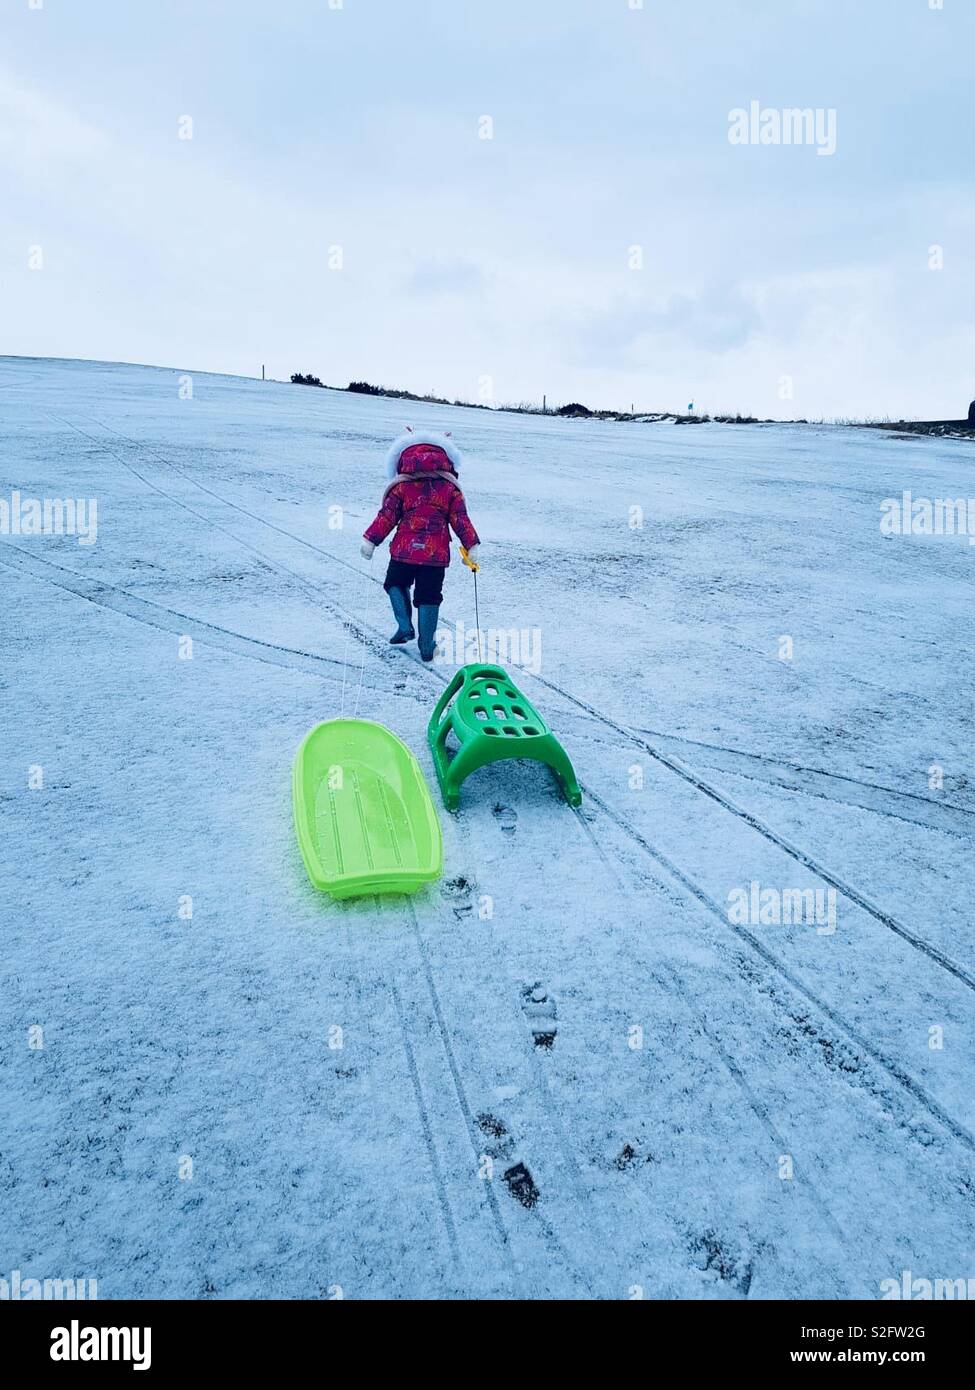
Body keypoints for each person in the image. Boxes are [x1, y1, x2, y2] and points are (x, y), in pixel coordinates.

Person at [361, 429, 481, 661]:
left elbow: (386, 517)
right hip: (434, 556)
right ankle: (427, 645)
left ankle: (404, 625)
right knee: (429, 596)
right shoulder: (450, 489)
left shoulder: (401, 487)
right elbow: (461, 520)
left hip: (404, 551)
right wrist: (471, 545)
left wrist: (370, 540)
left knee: (395, 583)